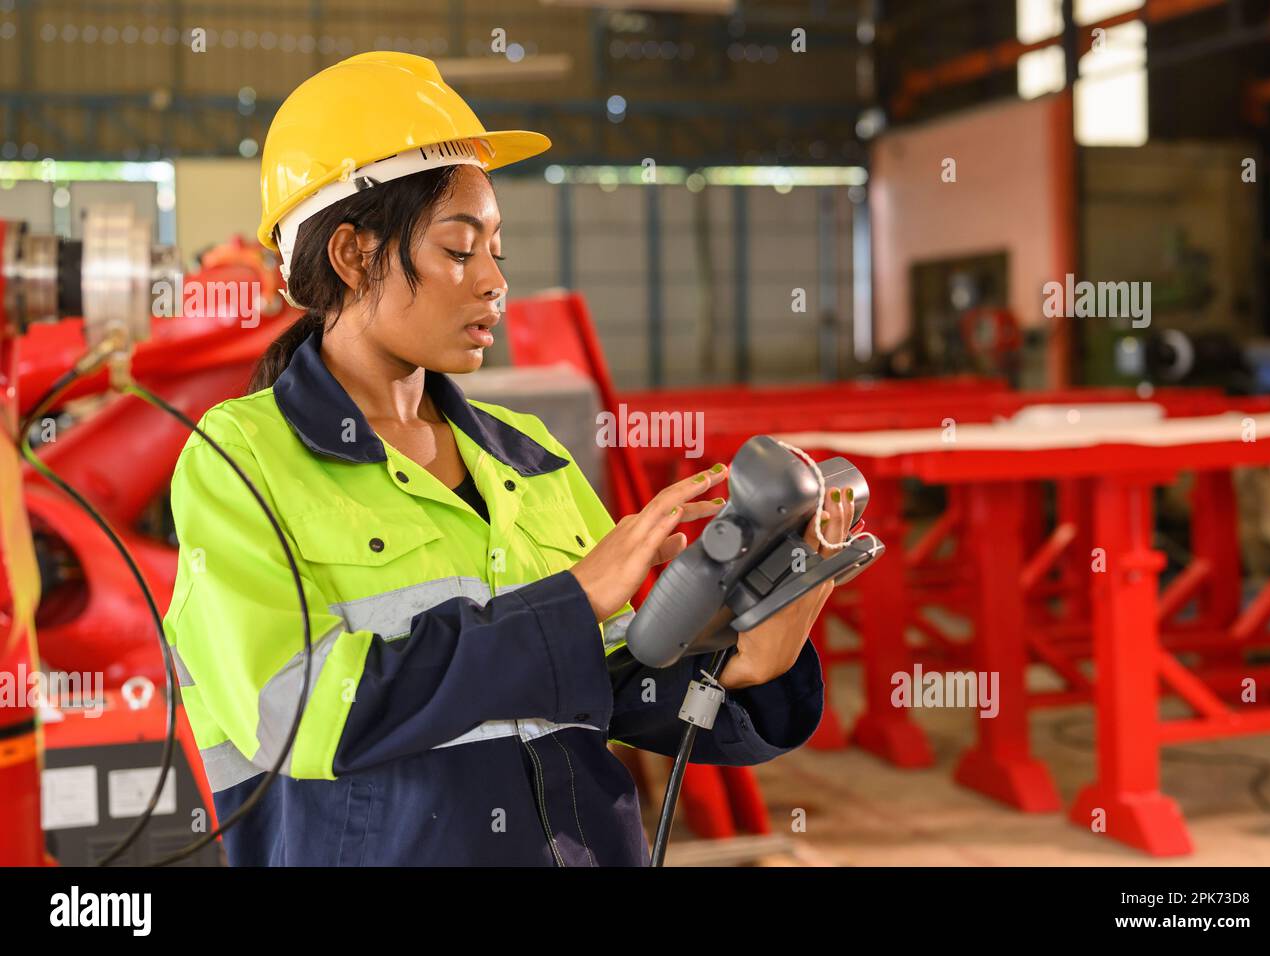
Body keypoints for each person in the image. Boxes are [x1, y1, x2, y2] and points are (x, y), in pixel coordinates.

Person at [162, 51, 852, 866]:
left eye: (497, 248)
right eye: (460, 249)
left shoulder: (530, 458)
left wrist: (748, 658)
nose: (495, 281)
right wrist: (573, 599)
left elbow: (615, 688)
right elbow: (302, 714)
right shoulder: (241, 457)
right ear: (351, 256)